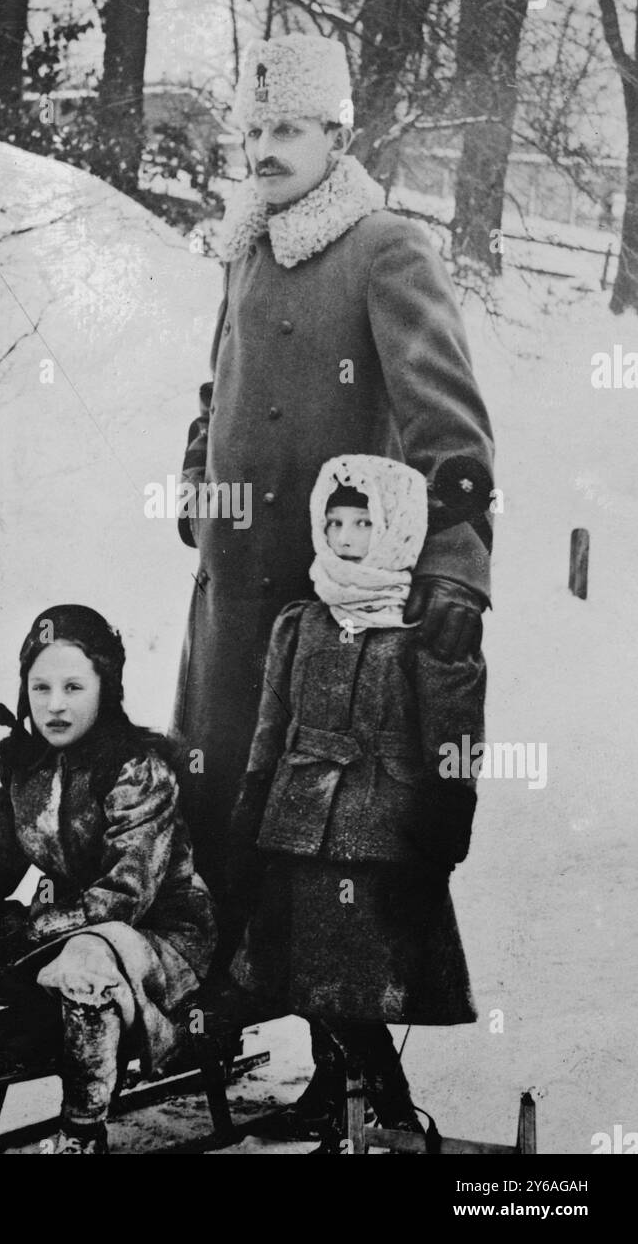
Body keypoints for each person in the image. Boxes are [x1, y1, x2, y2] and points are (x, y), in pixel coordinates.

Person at [172, 33, 494, 910]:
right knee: (209, 823)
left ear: (338, 140)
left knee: (322, 852)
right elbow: (217, 385)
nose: (262, 149)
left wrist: (453, 576)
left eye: (288, 128)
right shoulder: (245, 246)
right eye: (252, 129)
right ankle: (205, 1008)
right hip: (230, 594)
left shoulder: (384, 247)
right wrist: (198, 487)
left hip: (331, 607)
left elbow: (451, 437)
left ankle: (347, 1039)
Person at [211, 453, 485, 1147]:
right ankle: (331, 1096)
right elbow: (271, 724)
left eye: (362, 522)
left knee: (350, 981)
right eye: (334, 521)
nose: (345, 536)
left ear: (394, 527)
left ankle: (387, 1108)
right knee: (303, 974)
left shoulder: (426, 628)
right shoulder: (299, 622)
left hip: (378, 832)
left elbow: (452, 733)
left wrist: (442, 823)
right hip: (296, 823)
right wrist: (252, 804)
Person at [0, 604, 216, 1155]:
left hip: (155, 938)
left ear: (105, 689)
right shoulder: (29, 766)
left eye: (73, 687)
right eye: (40, 688)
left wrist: (15, 943)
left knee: (83, 962)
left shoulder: (137, 770)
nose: (54, 705)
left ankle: (83, 1133)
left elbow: (124, 894)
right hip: (61, 926)